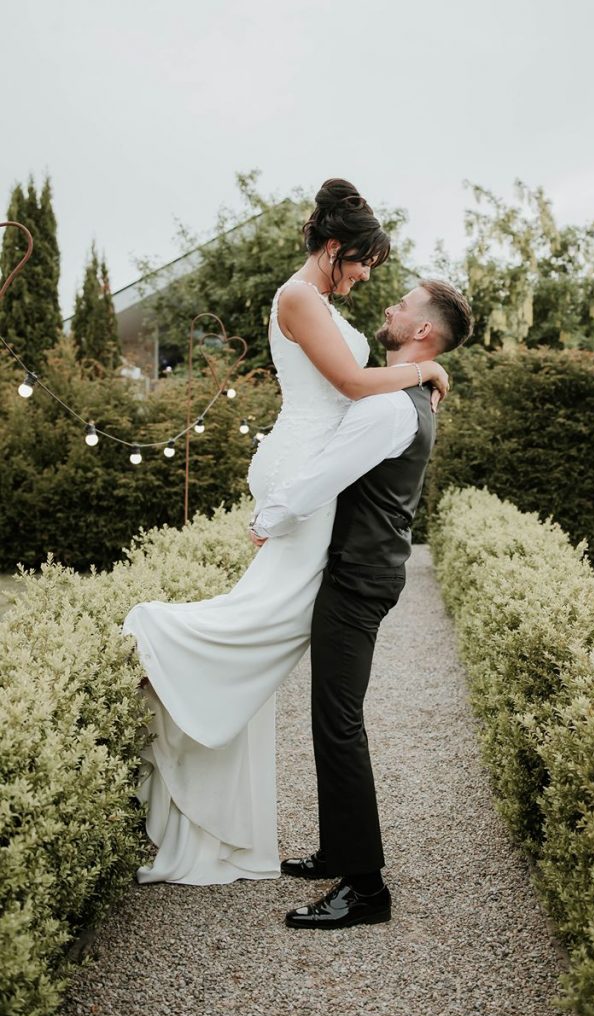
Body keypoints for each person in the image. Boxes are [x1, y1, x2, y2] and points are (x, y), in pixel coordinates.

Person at [121, 178, 450, 885]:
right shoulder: (299, 297)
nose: (366, 276)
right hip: (302, 463)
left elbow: (355, 382)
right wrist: (424, 367)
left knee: (287, 610)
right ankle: (161, 643)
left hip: (308, 465)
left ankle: (193, 696)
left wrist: (418, 372)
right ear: (334, 248)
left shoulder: (320, 299)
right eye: (362, 261)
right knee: (274, 610)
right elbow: (355, 383)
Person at [248, 280, 473, 928]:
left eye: (403, 305)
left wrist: (270, 516)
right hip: (367, 568)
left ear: (423, 333)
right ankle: (336, 851)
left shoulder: (391, 405)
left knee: (338, 723)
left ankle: (365, 888)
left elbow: (325, 474)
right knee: (332, 719)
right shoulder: (409, 393)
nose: (390, 308)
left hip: (357, 575)